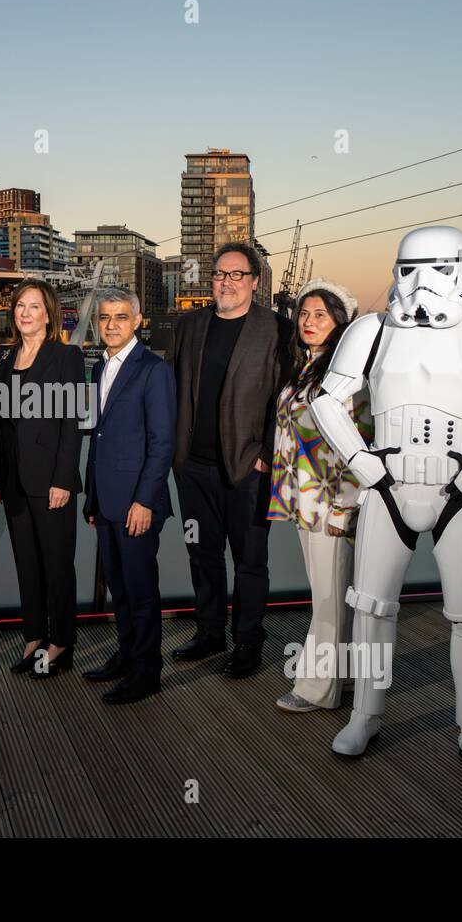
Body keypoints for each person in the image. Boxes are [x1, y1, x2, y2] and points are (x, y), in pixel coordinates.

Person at [309, 225, 462, 785]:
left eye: (437, 269)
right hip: (387, 488)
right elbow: (326, 399)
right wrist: (362, 461)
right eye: (408, 269)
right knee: (371, 608)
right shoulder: (371, 330)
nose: (421, 284)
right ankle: (364, 714)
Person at [166, 242, 291, 679]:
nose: (227, 282)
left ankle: (249, 643)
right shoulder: (189, 326)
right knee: (202, 555)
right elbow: (173, 390)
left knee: (250, 562)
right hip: (193, 468)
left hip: (247, 470)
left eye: (237, 274)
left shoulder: (277, 330)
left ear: (255, 282)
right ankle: (210, 632)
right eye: (221, 273)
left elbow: (285, 400)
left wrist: (266, 456)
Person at [267, 279, 371, 712]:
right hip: (304, 498)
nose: (308, 322)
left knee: (328, 598)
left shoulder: (349, 379)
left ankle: (315, 689)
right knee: (329, 594)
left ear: (341, 324)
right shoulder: (307, 368)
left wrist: (346, 506)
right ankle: (342, 680)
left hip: (332, 503)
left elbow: (360, 442)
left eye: (320, 316)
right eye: (304, 315)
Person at [81, 286, 177, 704]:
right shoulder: (102, 367)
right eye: (104, 317)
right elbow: (98, 439)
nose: (111, 324)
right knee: (118, 588)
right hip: (106, 502)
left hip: (137, 503)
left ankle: (147, 671)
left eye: (121, 317)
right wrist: (91, 498)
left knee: (140, 591)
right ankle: (125, 655)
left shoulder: (152, 370)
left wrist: (144, 501)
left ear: (138, 321)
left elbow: (162, 444)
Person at [0, 278, 85, 678]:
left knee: (57, 564)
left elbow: (72, 423)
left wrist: (63, 479)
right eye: (20, 306)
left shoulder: (66, 357)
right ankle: (33, 639)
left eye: (34, 307)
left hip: (51, 483)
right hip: (13, 481)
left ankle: (60, 643)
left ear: (49, 315)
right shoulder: (3, 358)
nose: (25, 313)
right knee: (26, 564)